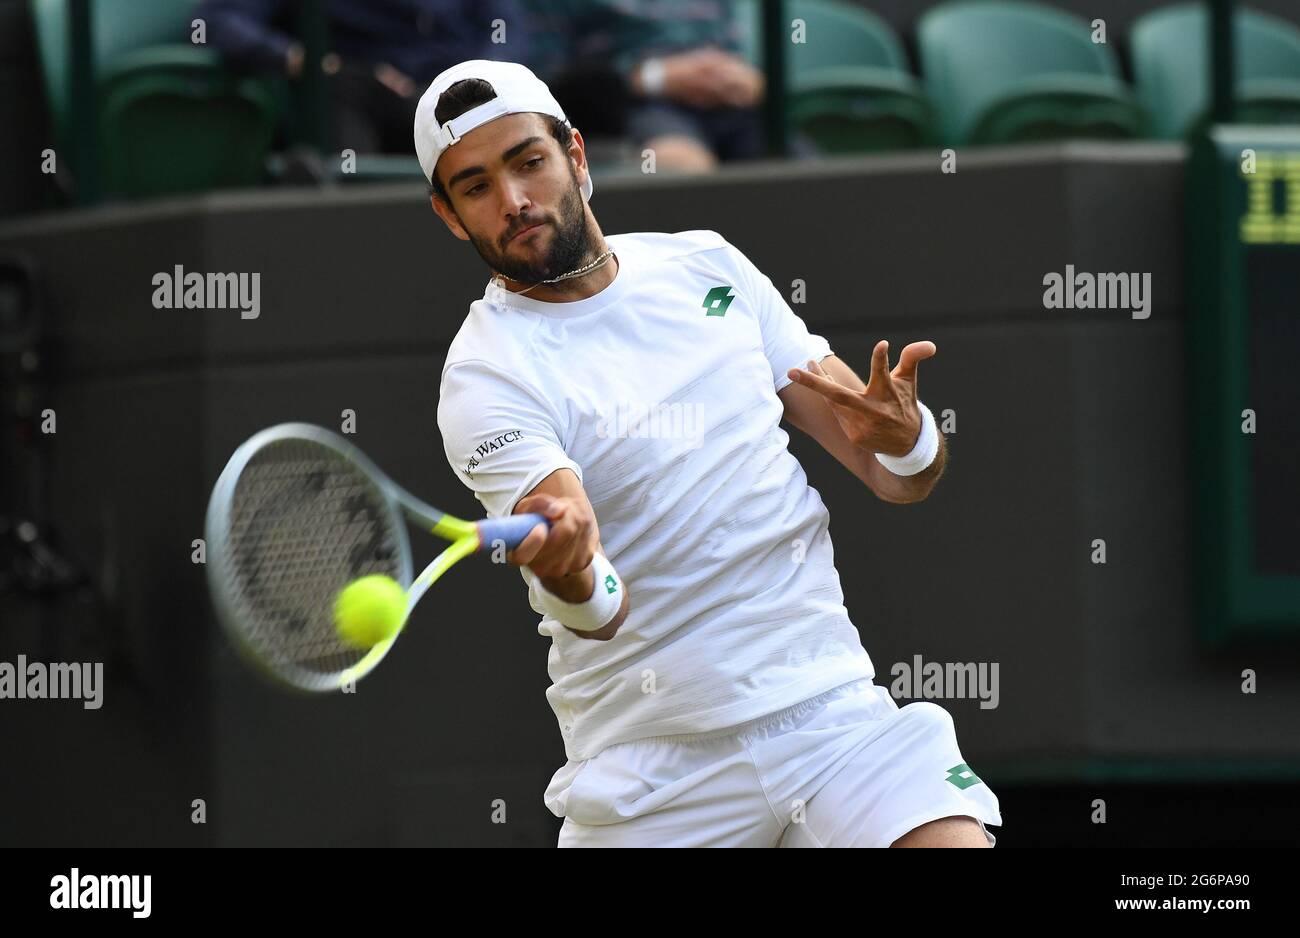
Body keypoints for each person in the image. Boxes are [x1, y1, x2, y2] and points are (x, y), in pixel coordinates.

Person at [420, 60, 1002, 847]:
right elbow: (599, 605)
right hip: (650, 774)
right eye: (477, 186)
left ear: (577, 157)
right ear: (450, 216)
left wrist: (910, 439)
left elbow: (895, 476)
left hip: (829, 714)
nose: (515, 201)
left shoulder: (708, 266)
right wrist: (570, 569)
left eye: (529, 162)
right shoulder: (484, 373)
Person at [194, 0, 531, 154]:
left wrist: (470, 82)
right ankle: (345, 211)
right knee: (340, 90)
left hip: (464, 101)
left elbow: (508, 30)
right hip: (367, 96)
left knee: (581, 84)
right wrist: (305, 61)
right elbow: (218, 22)